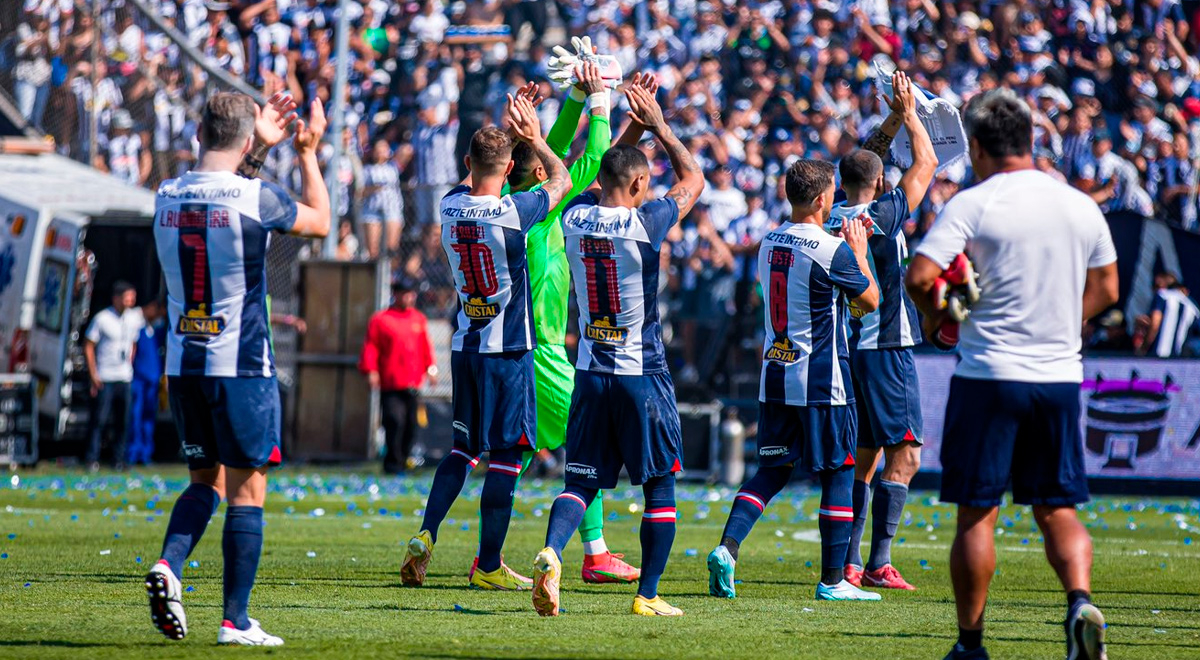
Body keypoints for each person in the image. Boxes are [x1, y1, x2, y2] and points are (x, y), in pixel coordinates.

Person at [904, 89, 1118, 660]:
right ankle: (1079, 603)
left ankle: (971, 644)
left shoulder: (974, 203)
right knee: (1057, 507)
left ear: (976, 146)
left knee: (978, 514)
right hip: (1058, 376)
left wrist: (949, 314)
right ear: (1029, 139)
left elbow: (919, 276)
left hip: (989, 375)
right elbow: (1108, 288)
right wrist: (1060, 321)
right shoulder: (1079, 204)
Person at [145, 90, 331, 646]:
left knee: (206, 482)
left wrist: (255, 151)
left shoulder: (165, 193)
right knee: (248, 493)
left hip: (185, 364)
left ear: (198, 134)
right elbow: (320, 222)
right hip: (242, 365)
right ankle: (235, 621)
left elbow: (221, 189)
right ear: (248, 140)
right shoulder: (258, 197)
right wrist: (305, 152)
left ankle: (169, 564)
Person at [530, 80, 704, 618]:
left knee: (580, 480)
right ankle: (647, 596)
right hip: (640, 373)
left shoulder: (575, 214)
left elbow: (604, 174)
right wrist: (659, 126)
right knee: (659, 485)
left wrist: (633, 130)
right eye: (645, 183)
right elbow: (693, 180)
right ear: (638, 183)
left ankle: (552, 552)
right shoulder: (645, 222)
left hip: (589, 371)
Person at [400, 92, 572, 591]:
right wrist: (533, 137)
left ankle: (426, 535)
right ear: (512, 167)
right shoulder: (515, 212)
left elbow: (475, 175)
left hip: (466, 347)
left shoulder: (450, 205)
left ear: (466, 163)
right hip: (508, 353)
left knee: (462, 450)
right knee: (507, 456)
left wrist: (505, 138)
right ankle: (489, 565)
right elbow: (561, 180)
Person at [707, 159, 882, 602]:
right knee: (839, 472)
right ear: (822, 199)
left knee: (770, 471)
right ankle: (833, 581)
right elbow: (870, 301)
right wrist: (859, 253)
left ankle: (727, 548)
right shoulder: (833, 250)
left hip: (776, 376)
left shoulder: (768, 241)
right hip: (823, 381)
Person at [496, 63, 639, 585]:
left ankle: (475, 554)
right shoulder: (543, 214)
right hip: (543, 353)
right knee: (588, 449)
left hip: (519, 349)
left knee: (508, 456)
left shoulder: (520, 204)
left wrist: (573, 96)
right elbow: (594, 162)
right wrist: (599, 100)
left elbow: (549, 154)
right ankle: (594, 555)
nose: (556, 168)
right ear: (541, 178)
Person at [826, 71, 937, 591]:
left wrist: (891, 119)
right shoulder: (883, 215)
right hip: (887, 344)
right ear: (877, 183)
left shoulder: (830, 211)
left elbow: (866, 160)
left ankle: (851, 562)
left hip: (849, 349)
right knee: (906, 455)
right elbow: (926, 164)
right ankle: (878, 562)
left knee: (865, 459)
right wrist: (911, 114)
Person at [359, 279, 437, 475]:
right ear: (396, 295)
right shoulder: (381, 319)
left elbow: (425, 347)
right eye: (405, 294)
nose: (409, 298)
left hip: (413, 382)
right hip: (391, 382)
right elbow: (371, 347)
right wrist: (371, 370)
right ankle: (392, 463)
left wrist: (431, 369)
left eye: (411, 294)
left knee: (411, 424)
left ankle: (403, 460)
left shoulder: (418, 319)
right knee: (394, 420)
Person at [84, 280, 144, 471]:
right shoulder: (102, 318)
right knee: (99, 420)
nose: (131, 300)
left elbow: (134, 343)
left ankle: (119, 459)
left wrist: (130, 362)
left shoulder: (133, 318)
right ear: (116, 298)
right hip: (105, 376)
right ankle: (91, 458)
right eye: (128, 296)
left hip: (124, 376)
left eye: (133, 297)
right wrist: (93, 373)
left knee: (123, 421)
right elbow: (89, 345)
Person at [127, 299, 166, 466]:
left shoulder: (156, 329)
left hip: (153, 379)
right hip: (139, 378)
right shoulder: (137, 325)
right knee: (135, 415)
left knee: (149, 416)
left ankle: (146, 452)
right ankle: (133, 452)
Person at [1140, 278, 1200, 358]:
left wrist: (1144, 347)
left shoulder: (1163, 295)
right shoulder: (1193, 309)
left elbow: (1155, 323)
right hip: (1177, 359)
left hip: (1156, 355)